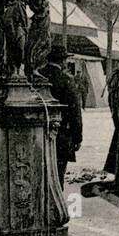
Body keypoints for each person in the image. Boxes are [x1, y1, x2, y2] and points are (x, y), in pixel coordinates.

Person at [40, 44, 83, 185]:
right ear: (62, 61)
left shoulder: (37, 76)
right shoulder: (66, 80)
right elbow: (75, 111)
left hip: (38, 135)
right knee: (57, 177)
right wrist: (77, 137)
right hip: (60, 135)